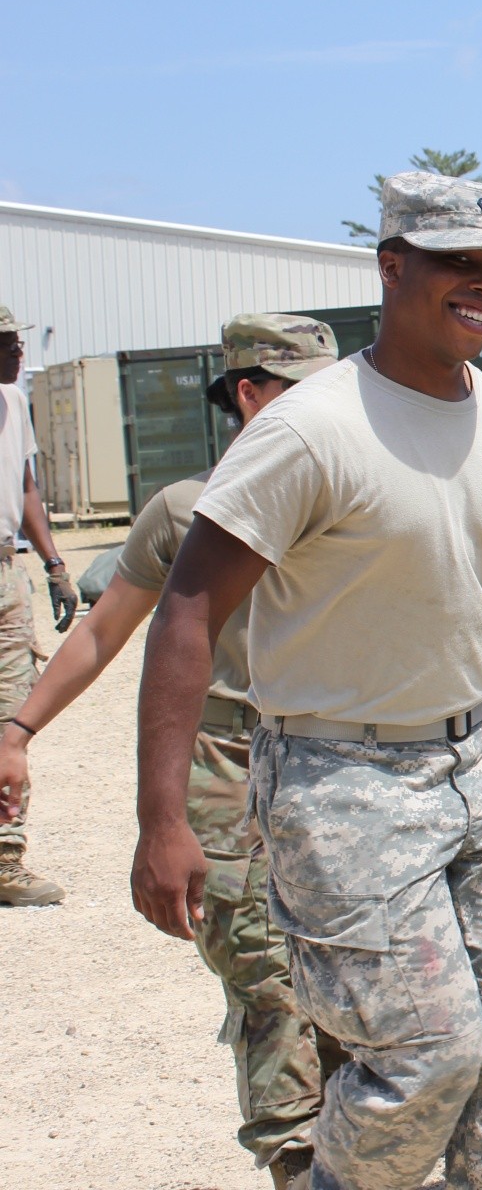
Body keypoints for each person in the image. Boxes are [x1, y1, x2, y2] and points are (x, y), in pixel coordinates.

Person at [131, 171, 482, 1190]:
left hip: (479, 765)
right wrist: (163, 820)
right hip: (341, 778)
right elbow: (186, 612)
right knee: (425, 1055)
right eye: (457, 263)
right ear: (392, 267)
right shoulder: (309, 428)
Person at [0, 314, 340, 1187]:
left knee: (356, 978)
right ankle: (298, 1164)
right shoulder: (188, 510)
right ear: (249, 394)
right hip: (226, 766)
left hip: (342, 759)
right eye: (303, 394)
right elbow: (101, 632)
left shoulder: (355, 498)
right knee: (267, 976)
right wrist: (19, 730)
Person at [0, 302, 79, 906]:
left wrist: (53, 565)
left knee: (11, 719)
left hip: (6, 573)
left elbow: (26, 488)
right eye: (5, 343)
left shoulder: (13, 403)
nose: (17, 351)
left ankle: (6, 857)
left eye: (17, 341)